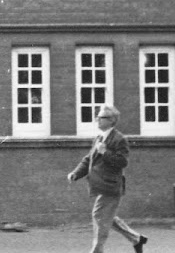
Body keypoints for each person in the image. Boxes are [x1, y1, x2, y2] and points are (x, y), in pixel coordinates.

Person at [68, 105, 148, 253]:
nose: (97, 120)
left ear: (112, 120)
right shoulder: (99, 137)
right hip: (101, 185)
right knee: (106, 216)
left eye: (101, 117)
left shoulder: (119, 139)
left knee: (99, 215)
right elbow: (89, 159)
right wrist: (76, 173)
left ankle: (97, 250)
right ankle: (136, 239)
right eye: (97, 117)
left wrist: (105, 152)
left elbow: (123, 162)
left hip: (111, 186)